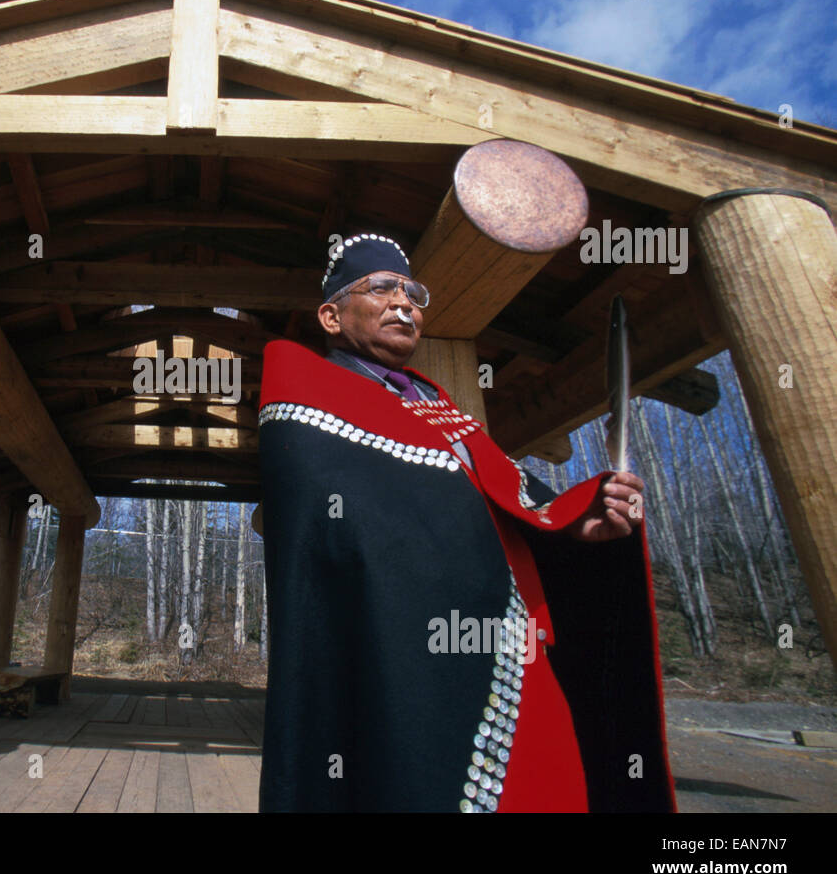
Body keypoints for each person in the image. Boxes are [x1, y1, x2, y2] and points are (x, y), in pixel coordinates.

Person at [256, 233, 676, 812]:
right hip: (393, 656)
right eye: (380, 288)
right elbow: (352, 527)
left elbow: (512, 499)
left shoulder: (439, 406)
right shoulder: (304, 398)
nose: (404, 303)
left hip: (510, 651)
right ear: (330, 315)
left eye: (413, 293)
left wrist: (579, 521)